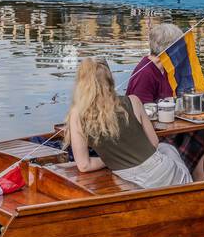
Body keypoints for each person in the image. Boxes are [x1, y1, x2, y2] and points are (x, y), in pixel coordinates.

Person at [67, 58, 191, 189]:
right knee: (168, 149)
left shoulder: (76, 115)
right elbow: (154, 143)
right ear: (111, 80)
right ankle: (199, 185)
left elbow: (84, 165)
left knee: (167, 149)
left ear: (81, 84)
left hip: (132, 181)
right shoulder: (133, 101)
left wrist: (111, 159)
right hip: (162, 172)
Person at [126, 21, 204, 179]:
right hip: (153, 134)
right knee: (200, 132)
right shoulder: (145, 73)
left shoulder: (167, 70)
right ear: (170, 50)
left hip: (172, 126)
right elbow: (142, 115)